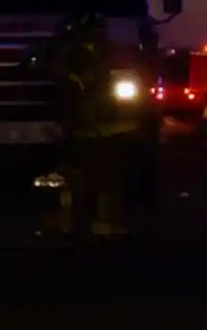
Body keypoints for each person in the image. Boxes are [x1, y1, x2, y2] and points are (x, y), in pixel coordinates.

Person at [40, 12, 140, 241]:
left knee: (99, 179)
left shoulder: (86, 57)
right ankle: (88, 223)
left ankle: (90, 224)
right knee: (91, 179)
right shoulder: (74, 58)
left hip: (97, 130)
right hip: (91, 131)